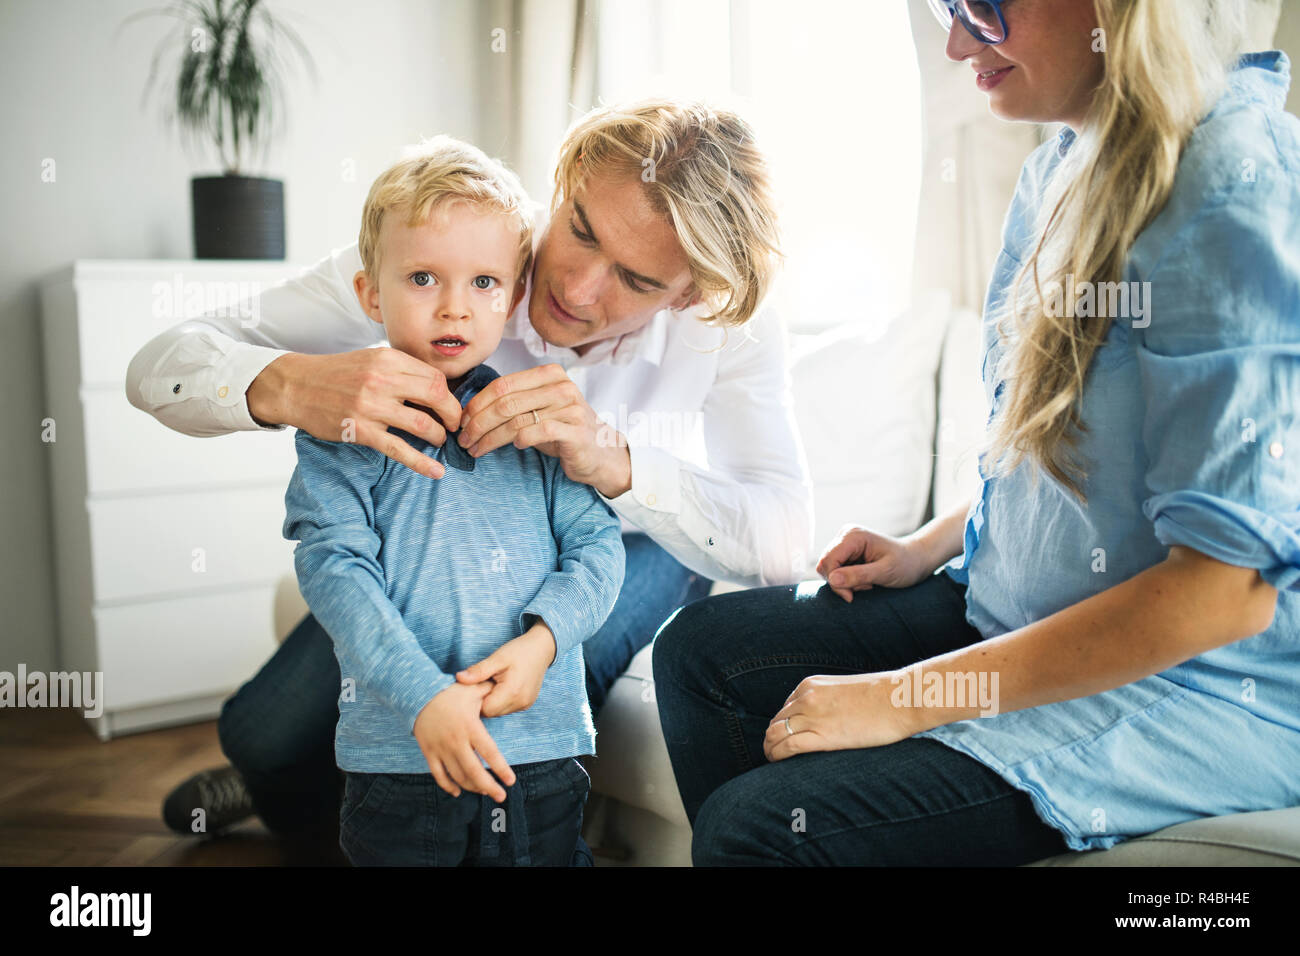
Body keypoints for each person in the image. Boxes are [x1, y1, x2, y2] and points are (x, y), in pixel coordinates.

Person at [654, 0, 1300, 865]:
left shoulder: (1228, 187)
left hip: (1193, 687)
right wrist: (926, 545)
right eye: (945, 9)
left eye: (986, 7)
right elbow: (1066, 461)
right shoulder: (1058, 168)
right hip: (1017, 609)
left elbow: (1227, 589)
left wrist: (907, 697)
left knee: (761, 831)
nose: (957, 43)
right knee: (703, 653)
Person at [127, 98, 813, 842]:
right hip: (433, 536)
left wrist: (614, 460)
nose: (578, 289)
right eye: (580, 228)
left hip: (625, 542)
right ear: (565, 179)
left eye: (637, 281)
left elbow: (782, 544)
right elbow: (157, 365)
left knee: (528, 697)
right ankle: (286, 789)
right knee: (264, 736)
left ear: (690, 294)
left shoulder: (731, 325)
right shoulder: (446, 248)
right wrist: (288, 383)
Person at [283, 136, 624, 865]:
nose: (453, 310)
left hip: (539, 748)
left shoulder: (536, 422)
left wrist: (546, 641)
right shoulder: (343, 427)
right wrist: (423, 697)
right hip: (403, 758)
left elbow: (598, 549)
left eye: (483, 284)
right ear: (372, 292)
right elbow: (335, 571)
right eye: (422, 278)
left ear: (515, 295)